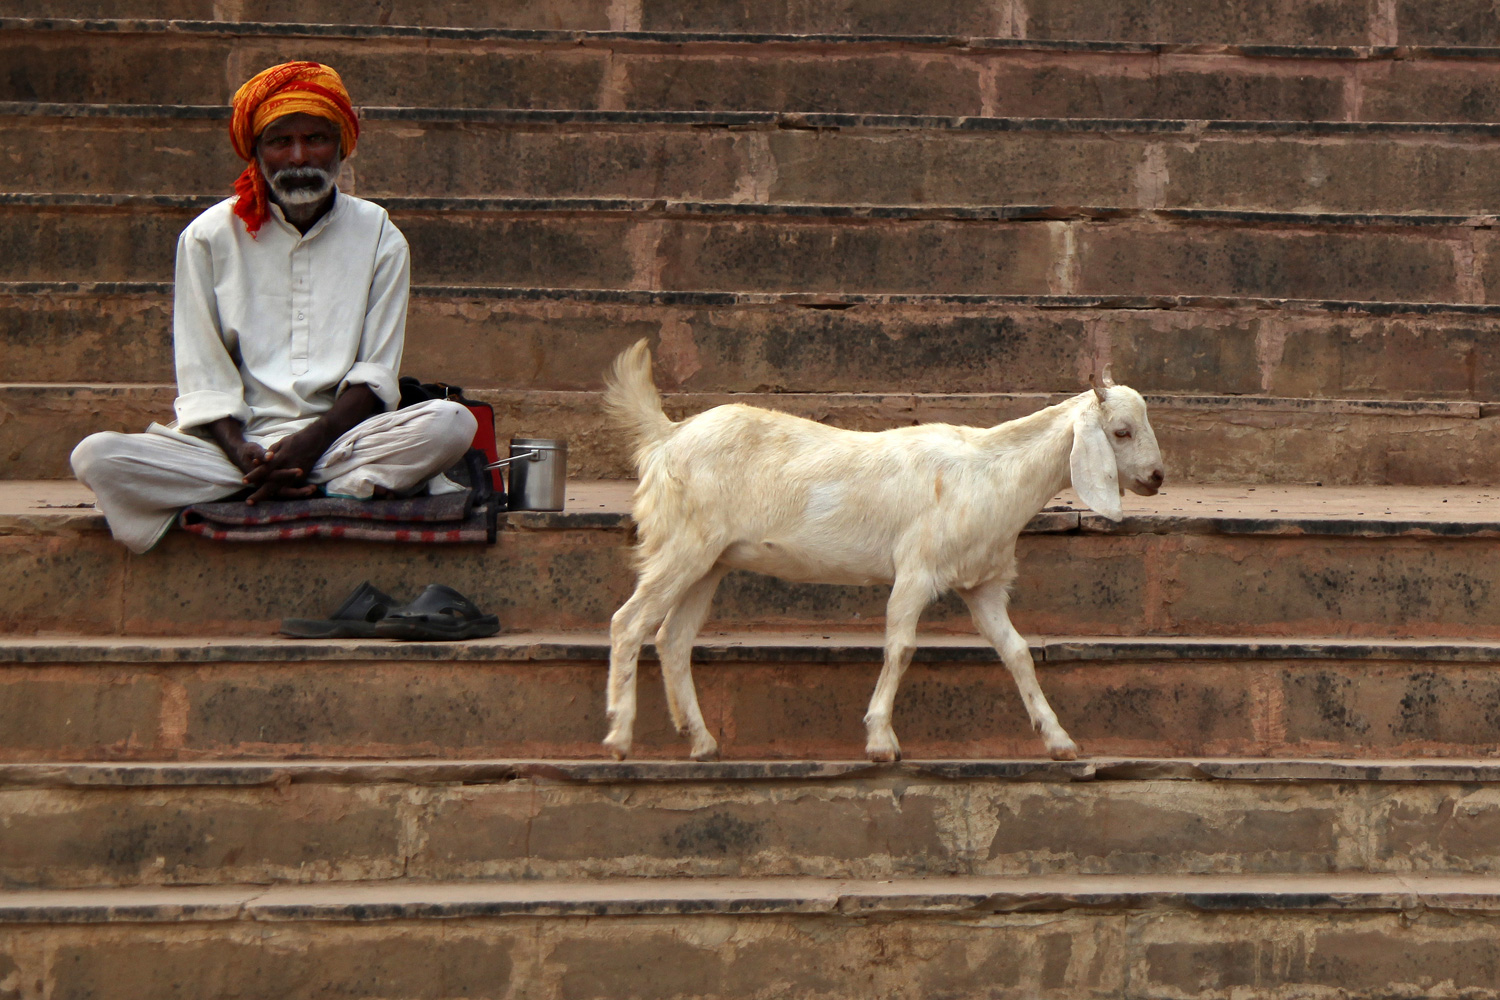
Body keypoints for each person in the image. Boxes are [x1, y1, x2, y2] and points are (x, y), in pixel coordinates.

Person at [71, 62, 476, 553]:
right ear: (256, 152)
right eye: (280, 142)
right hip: (232, 450)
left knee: (451, 423)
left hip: (337, 442)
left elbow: (374, 375)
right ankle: (301, 488)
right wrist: (245, 453)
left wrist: (311, 443)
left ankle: (279, 487)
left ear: (342, 146)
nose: (299, 156)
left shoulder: (379, 235)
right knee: (96, 456)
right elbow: (205, 377)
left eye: (316, 138)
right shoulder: (208, 237)